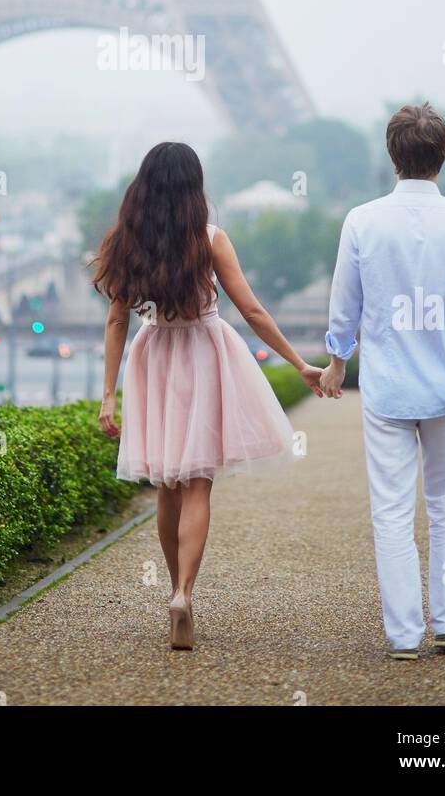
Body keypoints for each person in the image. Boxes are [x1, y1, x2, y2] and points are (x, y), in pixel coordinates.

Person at [94, 140, 324, 651]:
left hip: (152, 357)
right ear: (194, 188)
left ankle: (174, 594)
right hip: (203, 353)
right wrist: (300, 363)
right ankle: (182, 593)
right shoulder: (209, 239)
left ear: (144, 187)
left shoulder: (128, 242)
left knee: (166, 486)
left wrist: (108, 396)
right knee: (198, 483)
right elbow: (254, 312)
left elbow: (115, 321)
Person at [320, 103, 445, 659]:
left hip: (389, 388)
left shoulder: (362, 221)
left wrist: (338, 359)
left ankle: (403, 635)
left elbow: (345, 304)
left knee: (391, 511)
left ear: (392, 155)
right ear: (442, 155)